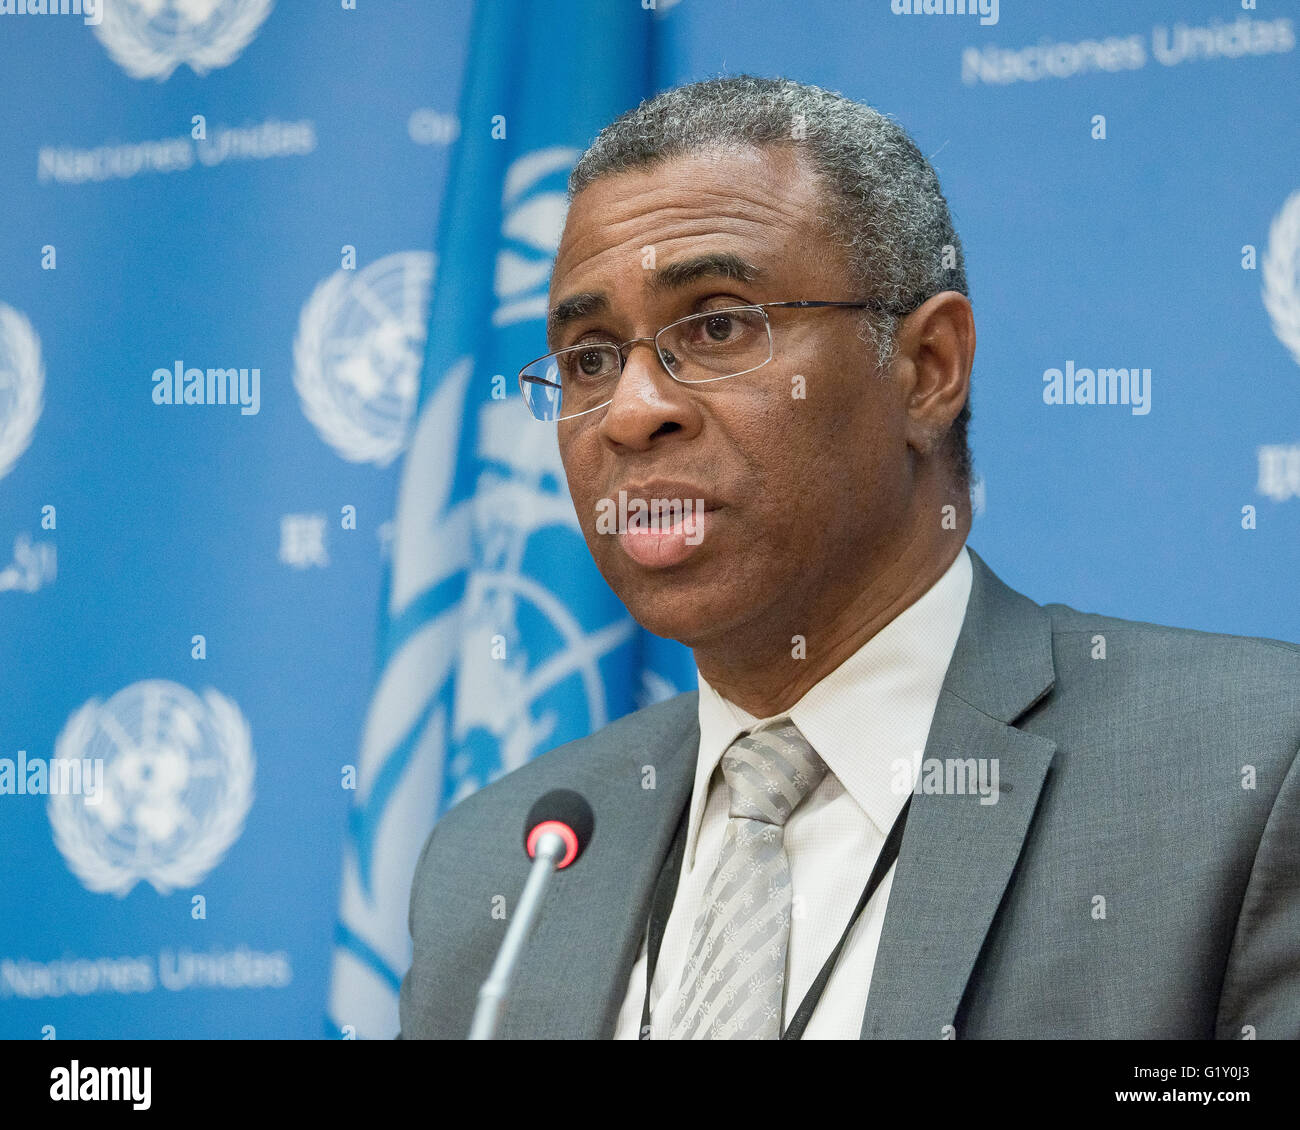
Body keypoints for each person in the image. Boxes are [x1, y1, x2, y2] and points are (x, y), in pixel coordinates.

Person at [398, 75, 1300, 1040]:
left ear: (927, 370)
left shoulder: (1246, 775)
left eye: (715, 325)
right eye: (588, 357)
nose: (630, 411)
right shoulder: (501, 867)